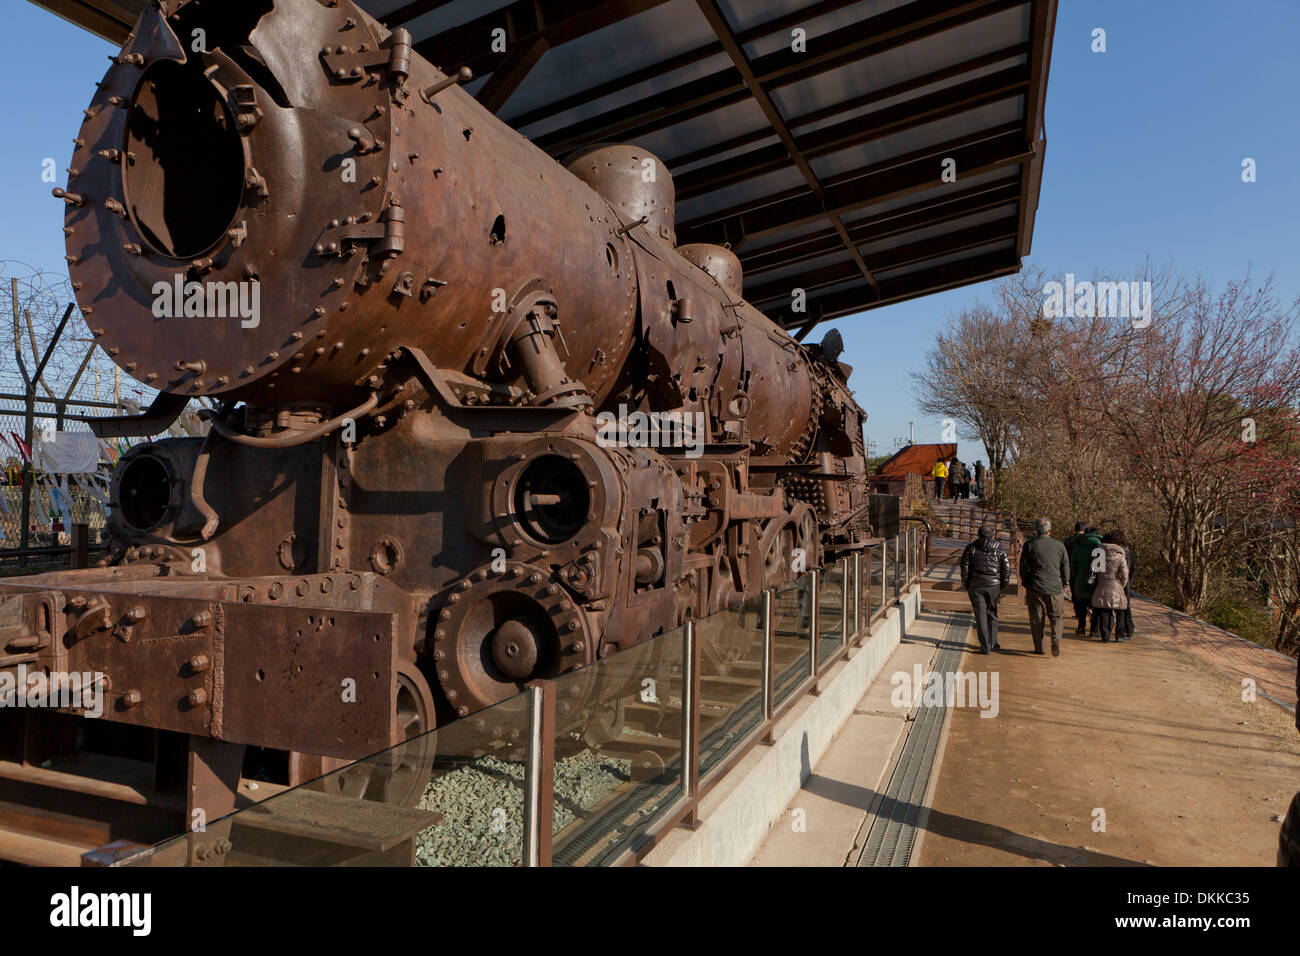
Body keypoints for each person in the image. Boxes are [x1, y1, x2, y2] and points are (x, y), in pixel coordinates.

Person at [1019, 517, 1070, 656]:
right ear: (1050, 530)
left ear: (1036, 529)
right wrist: (1064, 582)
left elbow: (1023, 567)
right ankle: (1055, 638)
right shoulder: (1059, 545)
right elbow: (1065, 566)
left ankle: (1040, 648)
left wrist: (1026, 582)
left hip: (1035, 586)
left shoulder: (1030, 545)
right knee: (1057, 616)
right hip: (1055, 587)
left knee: (1036, 618)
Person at [960, 524, 1011, 654]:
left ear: (979, 534)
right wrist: (1002, 585)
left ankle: (985, 647)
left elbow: (964, 568)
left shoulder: (971, 548)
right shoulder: (999, 548)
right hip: (994, 585)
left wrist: (966, 584)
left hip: (976, 585)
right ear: (992, 535)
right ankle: (993, 642)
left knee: (980, 615)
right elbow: (1006, 569)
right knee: (992, 612)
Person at [1090, 532, 1130, 643]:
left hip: (1101, 584)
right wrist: (1122, 584)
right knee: (1121, 610)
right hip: (1116, 584)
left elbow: (1093, 571)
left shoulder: (1098, 553)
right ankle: (1119, 635)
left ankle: (1105, 636)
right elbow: (1125, 573)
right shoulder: (1120, 555)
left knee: (1104, 610)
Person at [1068, 526, 1103, 635]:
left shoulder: (1078, 546)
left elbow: (1073, 565)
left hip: (1081, 579)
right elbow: (1101, 567)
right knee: (1096, 607)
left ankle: (1081, 627)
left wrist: (1077, 576)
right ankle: (1094, 630)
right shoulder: (1100, 547)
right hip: (1097, 581)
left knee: (1081, 605)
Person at [1112, 529, 1136, 641]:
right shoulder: (1128, 551)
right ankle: (1129, 629)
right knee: (1125, 606)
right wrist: (1129, 582)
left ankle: (1120, 630)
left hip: (1116, 581)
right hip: (1125, 582)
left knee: (1118, 608)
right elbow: (1134, 568)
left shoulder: (1114, 551)